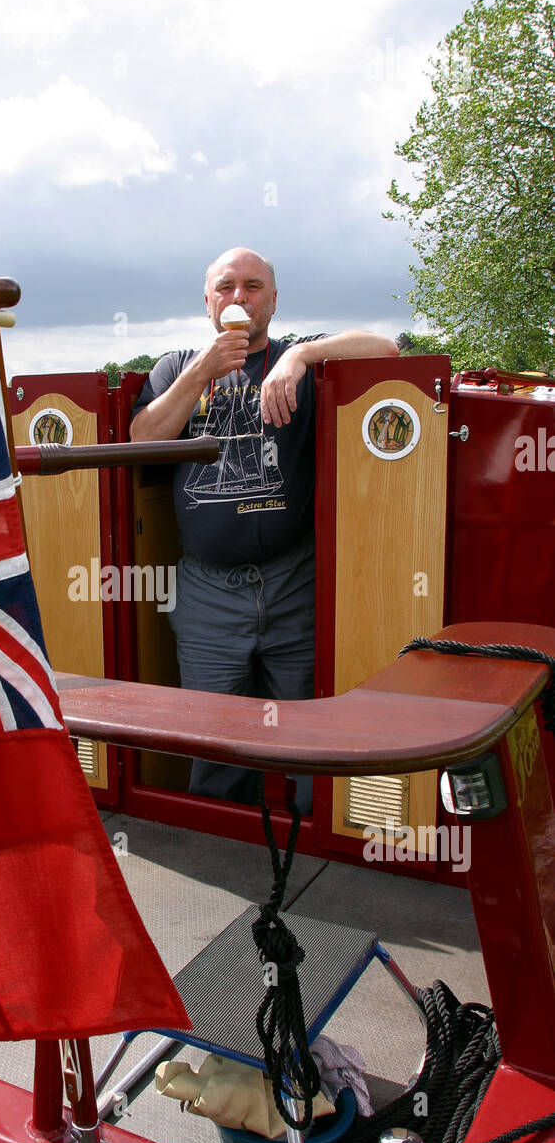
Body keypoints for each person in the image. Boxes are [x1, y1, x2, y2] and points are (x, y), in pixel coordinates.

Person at [129, 247, 399, 808]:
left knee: (303, 735)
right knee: (214, 739)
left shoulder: (300, 360)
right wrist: (205, 368)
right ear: (207, 303)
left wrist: (302, 356)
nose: (238, 298)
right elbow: (139, 441)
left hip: (293, 580)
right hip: (207, 589)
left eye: (253, 287)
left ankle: (307, 863)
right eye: (225, 287)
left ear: (273, 300)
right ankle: (224, 860)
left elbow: (387, 348)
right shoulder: (176, 367)